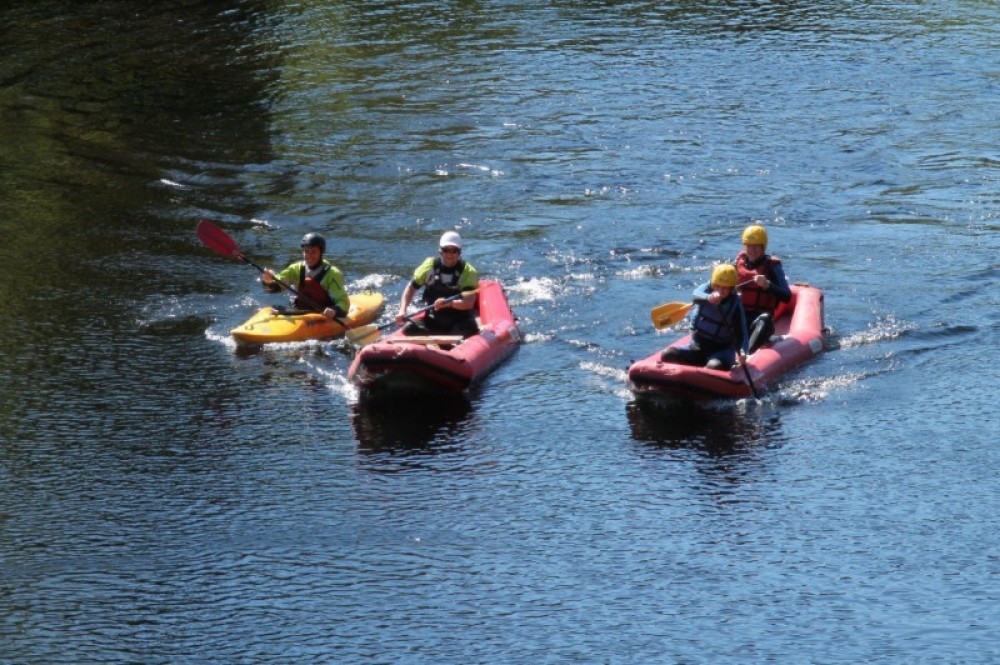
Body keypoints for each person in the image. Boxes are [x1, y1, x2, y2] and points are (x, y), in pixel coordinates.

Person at [660, 264, 750, 371]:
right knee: (668, 354)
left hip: (720, 351)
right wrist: (708, 297)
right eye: (717, 286)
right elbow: (695, 294)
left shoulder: (735, 304)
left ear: (731, 288)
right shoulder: (705, 289)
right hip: (697, 347)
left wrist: (742, 351)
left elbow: (742, 332)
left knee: (713, 367)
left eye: (725, 288)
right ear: (713, 283)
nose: (720, 290)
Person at [396, 230, 479, 337]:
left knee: (465, 329)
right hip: (434, 319)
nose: (449, 254)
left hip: (459, 320)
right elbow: (411, 288)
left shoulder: (468, 271)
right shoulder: (429, 266)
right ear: (440, 251)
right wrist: (402, 310)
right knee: (408, 328)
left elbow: (469, 303)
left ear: (460, 252)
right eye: (446, 250)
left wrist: (449, 303)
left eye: (454, 251)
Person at [261, 232, 349, 319]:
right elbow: (277, 286)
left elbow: (343, 302)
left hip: (323, 314)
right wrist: (268, 281)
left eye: (314, 251)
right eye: (306, 251)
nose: (309, 256)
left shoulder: (332, 274)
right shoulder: (296, 269)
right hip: (300, 311)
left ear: (321, 252)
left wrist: (335, 310)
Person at [734, 224, 792, 352]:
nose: (752, 250)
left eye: (756, 246)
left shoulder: (772, 267)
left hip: (759, 322)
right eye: (749, 245)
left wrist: (768, 285)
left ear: (763, 247)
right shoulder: (738, 263)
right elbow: (716, 286)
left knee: (765, 319)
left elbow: (787, 297)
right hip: (739, 319)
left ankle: (747, 354)